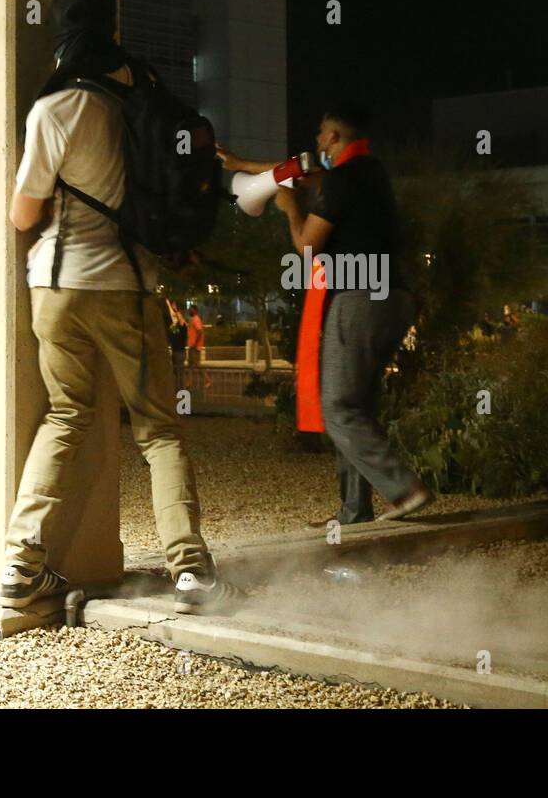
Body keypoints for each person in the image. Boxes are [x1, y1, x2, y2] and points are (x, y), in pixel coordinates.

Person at [2, 0, 231, 614]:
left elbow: (24, 215)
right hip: (126, 285)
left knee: (66, 417)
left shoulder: (52, 110)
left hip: (55, 285)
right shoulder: (142, 107)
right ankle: (190, 571)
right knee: (158, 429)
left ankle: (22, 569)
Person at [218, 103, 434, 526]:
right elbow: (299, 174)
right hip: (394, 297)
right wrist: (244, 165)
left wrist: (289, 209)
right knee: (357, 407)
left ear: (334, 136)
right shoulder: (369, 171)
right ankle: (354, 511)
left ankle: (406, 489)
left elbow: (306, 248)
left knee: (337, 408)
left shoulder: (341, 179)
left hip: (358, 298)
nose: (316, 141)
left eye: (320, 133)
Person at [185, 304, 210, 391]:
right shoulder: (192, 319)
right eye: (189, 309)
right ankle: (189, 381)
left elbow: (200, 332)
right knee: (191, 365)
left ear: (195, 311)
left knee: (196, 365)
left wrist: (195, 344)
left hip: (195, 347)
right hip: (192, 346)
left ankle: (207, 380)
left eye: (191, 310)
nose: (189, 311)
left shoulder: (196, 319)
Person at [165, 298, 189, 390]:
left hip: (180, 352)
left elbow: (178, 317)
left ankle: (181, 390)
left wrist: (173, 309)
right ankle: (178, 389)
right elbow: (173, 317)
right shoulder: (175, 327)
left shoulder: (183, 326)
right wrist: (169, 306)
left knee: (179, 372)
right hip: (176, 352)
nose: (176, 315)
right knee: (176, 372)